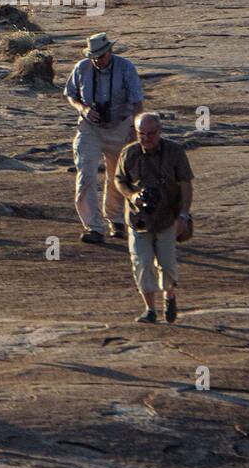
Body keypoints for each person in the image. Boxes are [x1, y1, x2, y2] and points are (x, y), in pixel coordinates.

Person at [64, 33, 145, 244]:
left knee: (117, 175)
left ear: (110, 51)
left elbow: (137, 102)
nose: (97, 60)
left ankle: (116, 220)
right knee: (86, 174)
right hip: (89, 128)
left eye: (101, 56)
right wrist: (83, 109)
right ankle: (93, 227)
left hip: (120, 126)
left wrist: (136, 130)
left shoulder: (126, 68)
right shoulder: (81, 68)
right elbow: (71, 94)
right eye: (93, 57)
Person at [114, 112, 194, 324]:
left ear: (160, 131)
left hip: (167, 217)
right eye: (141, 134)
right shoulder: (129, 153)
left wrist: (184, 215)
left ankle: (169, 295)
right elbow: (119, 180)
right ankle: (149, 309)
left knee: (167, 264)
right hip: (138, 219)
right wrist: (132, 196)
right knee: (141, 263)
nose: (146, 138)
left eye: (151, 133)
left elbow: (185, 183)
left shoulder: (174, 151)